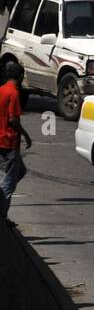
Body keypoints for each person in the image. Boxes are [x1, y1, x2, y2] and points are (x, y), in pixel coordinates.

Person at [0, 62, 32, 226]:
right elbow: (13, 119)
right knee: (8, 183)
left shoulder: (1, 90)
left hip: (2, 140)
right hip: (9, 141)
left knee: (20, 171)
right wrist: (26, 135)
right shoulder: (13, 93)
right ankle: (2, 217)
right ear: (19, 77)